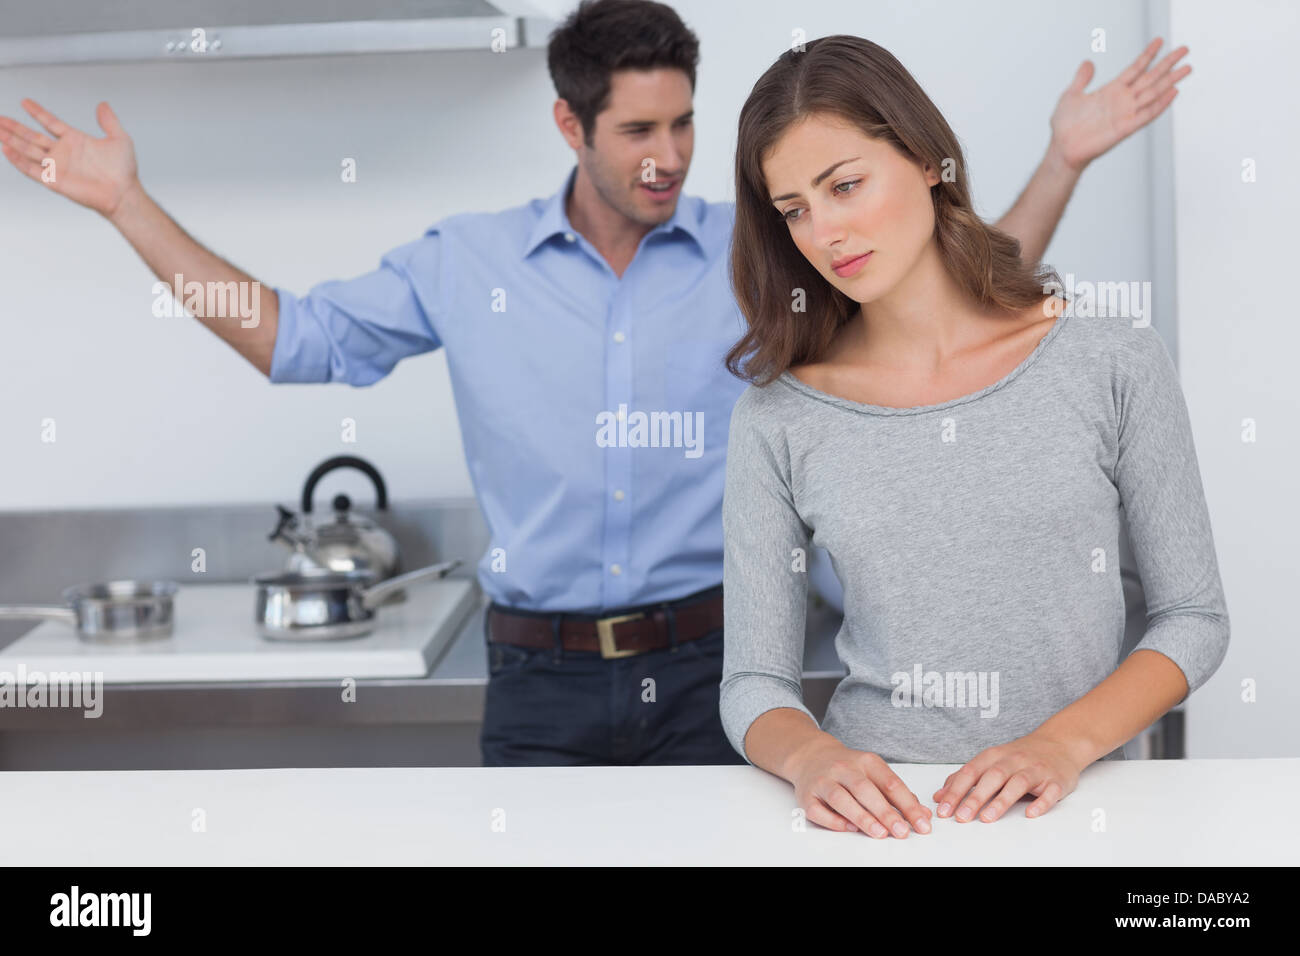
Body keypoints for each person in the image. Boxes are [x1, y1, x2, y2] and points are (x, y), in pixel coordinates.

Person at [0, 1, 1190, 767]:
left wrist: (1058, 162)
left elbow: (949, 303)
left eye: (680, 123)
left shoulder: (764, 253)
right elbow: (287, 341)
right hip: (537, 683)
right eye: (634, 131)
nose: (666, 155)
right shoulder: (464, 264)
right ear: (570, 122)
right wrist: (128, 207)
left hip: (714, 671)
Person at [719, 34, 1228, 838]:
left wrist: (1060, 745)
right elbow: (754, 682)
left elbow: (1194, 619)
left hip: (1077, 807)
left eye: (845, 185)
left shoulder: (1112, 360)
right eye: (794, 211)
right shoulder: (779, 417)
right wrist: (811, 757)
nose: (825, 233)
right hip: (880, 824)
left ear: (927, 161)